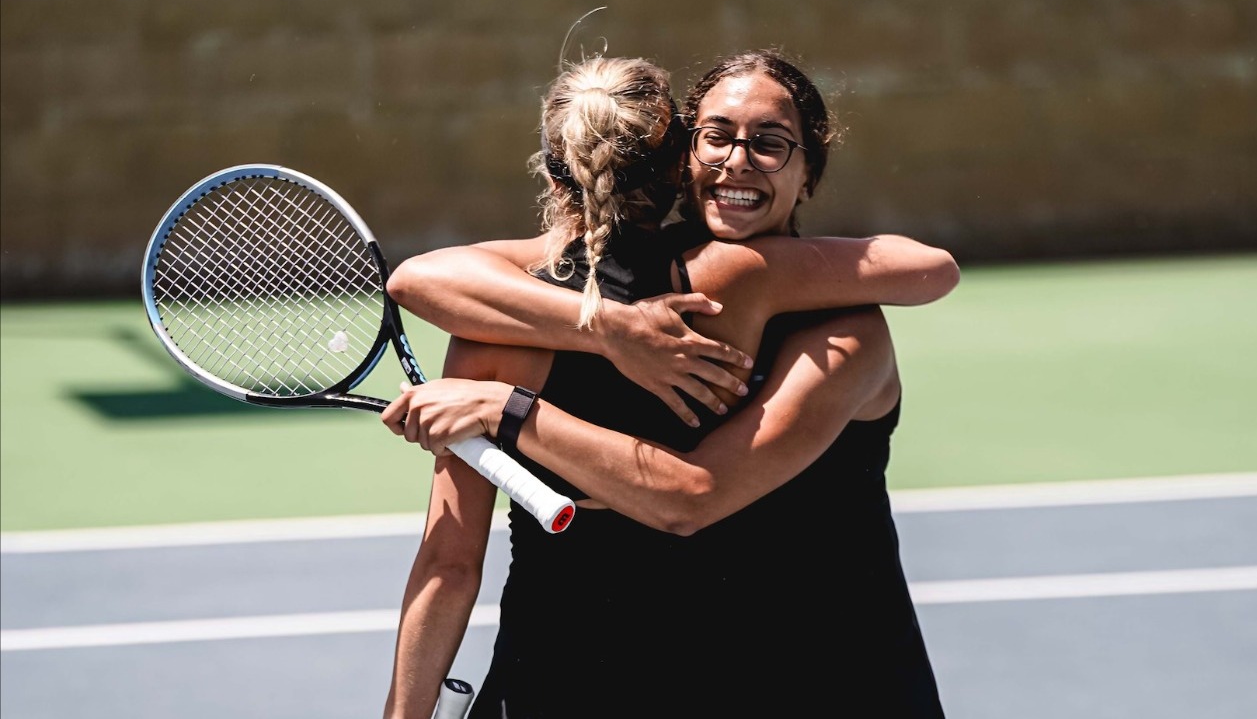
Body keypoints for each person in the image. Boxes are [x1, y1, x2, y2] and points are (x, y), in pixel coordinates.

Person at [381, 51, 957, 718]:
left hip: (574, 680)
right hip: (806, 681)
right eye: (717, 137)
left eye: (767, 144)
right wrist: (608, 328)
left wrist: (506, 407)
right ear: (681, 157)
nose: (738, 160)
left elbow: (452, 565)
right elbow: (927, 268)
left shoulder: (497, 326)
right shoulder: (751, 287)